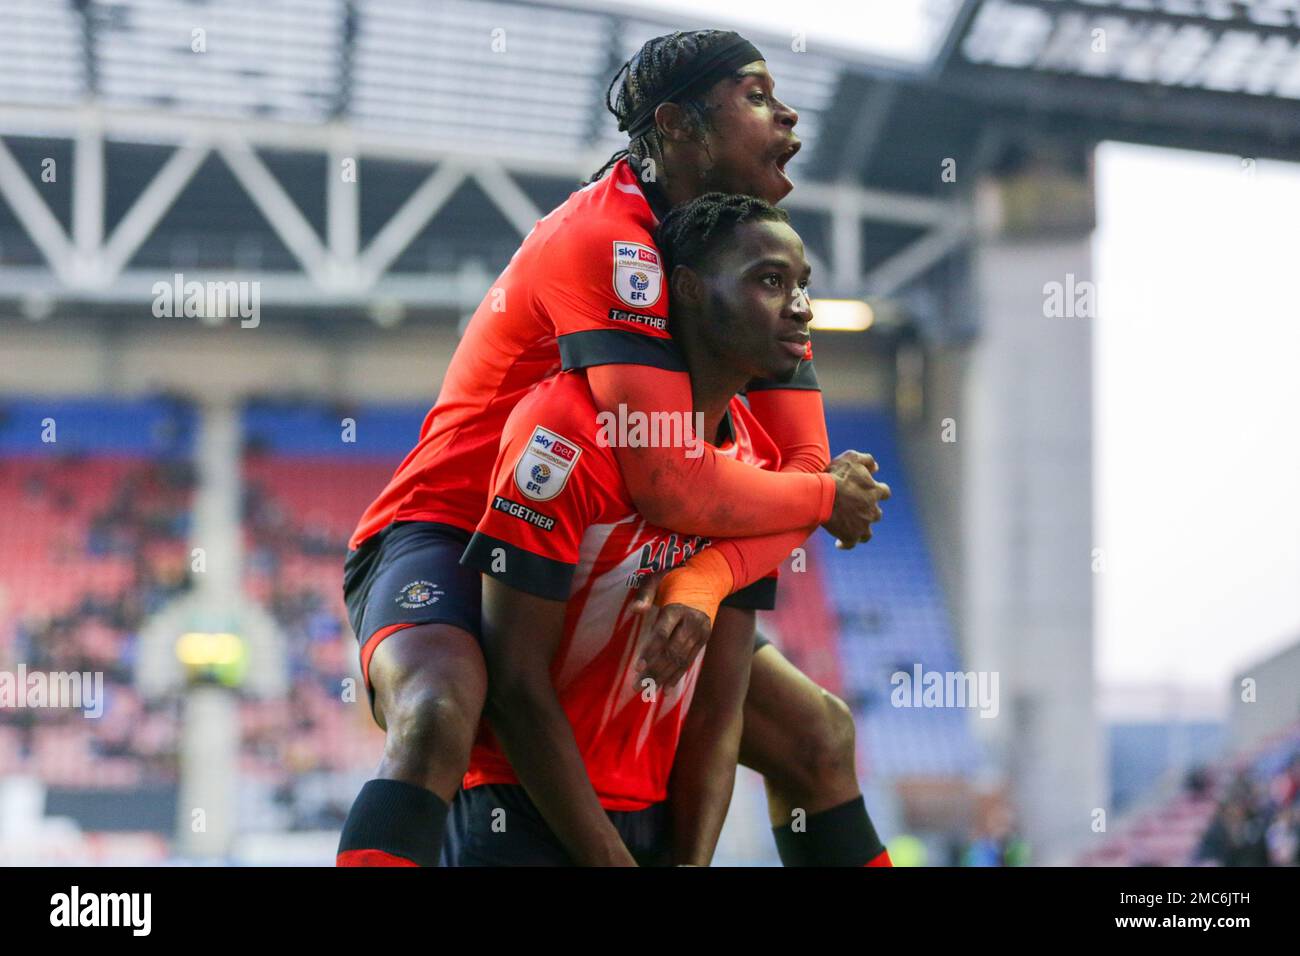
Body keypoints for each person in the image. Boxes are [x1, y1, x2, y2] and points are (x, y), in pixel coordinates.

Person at [338, 29, 890, 868]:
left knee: (818, 736)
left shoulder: (754, 273)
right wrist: (820, 502)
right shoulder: (610, 240)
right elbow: (675, 479)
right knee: (441, 711)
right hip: (455, 529)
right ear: (676, 127)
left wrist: (708, 578)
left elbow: (800, 473)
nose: (787, 114)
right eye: (754, 96)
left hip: (624, 544)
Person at [445, 194, 855, 864]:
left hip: (652, 811)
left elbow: (718, 714)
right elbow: (515, 682)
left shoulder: (758, 469)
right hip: (516, 807)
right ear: (689, 290)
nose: (801, 308)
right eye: (770, 282)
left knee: (827, 730)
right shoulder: (567, 431)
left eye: (803, 285)